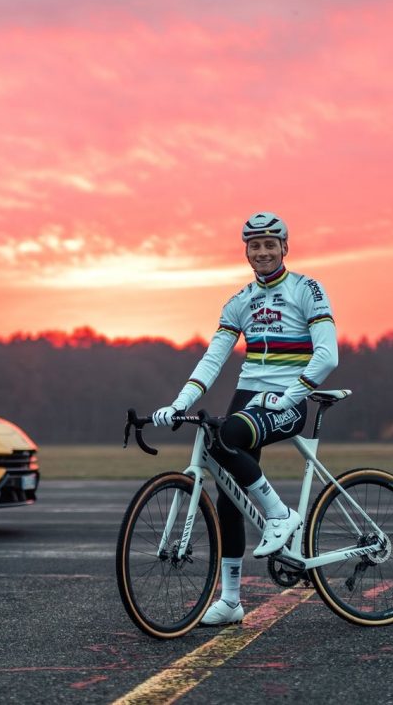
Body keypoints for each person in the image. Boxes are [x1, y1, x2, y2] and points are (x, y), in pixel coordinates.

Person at [152, 212, 338, 626]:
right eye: (255, 245)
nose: (263, 251)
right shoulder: (239, 301)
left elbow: (328, 355)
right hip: (249, 394)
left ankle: (279, 514)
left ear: (285, 247)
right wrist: (179, 402)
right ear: (246, 252)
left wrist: (289, 395)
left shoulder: (306, 288)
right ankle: (232, 600)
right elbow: (214, 357)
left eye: (271, 244)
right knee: (227, 493)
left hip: (288, 398)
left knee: (228, 434)